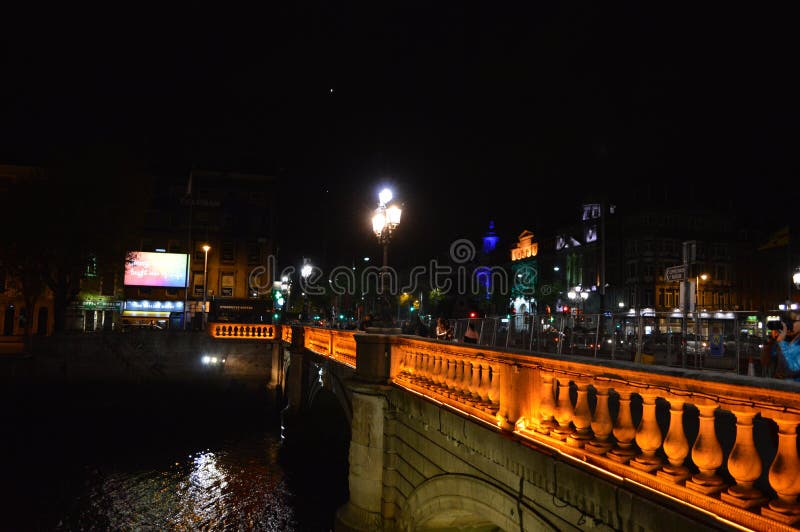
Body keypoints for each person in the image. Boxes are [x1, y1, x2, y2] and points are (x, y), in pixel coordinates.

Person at [776, 314, 800, 381]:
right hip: (789, 386)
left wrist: (781, 343)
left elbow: (794, 370)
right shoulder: (794, 340)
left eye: (793, 321)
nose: (790, 324)